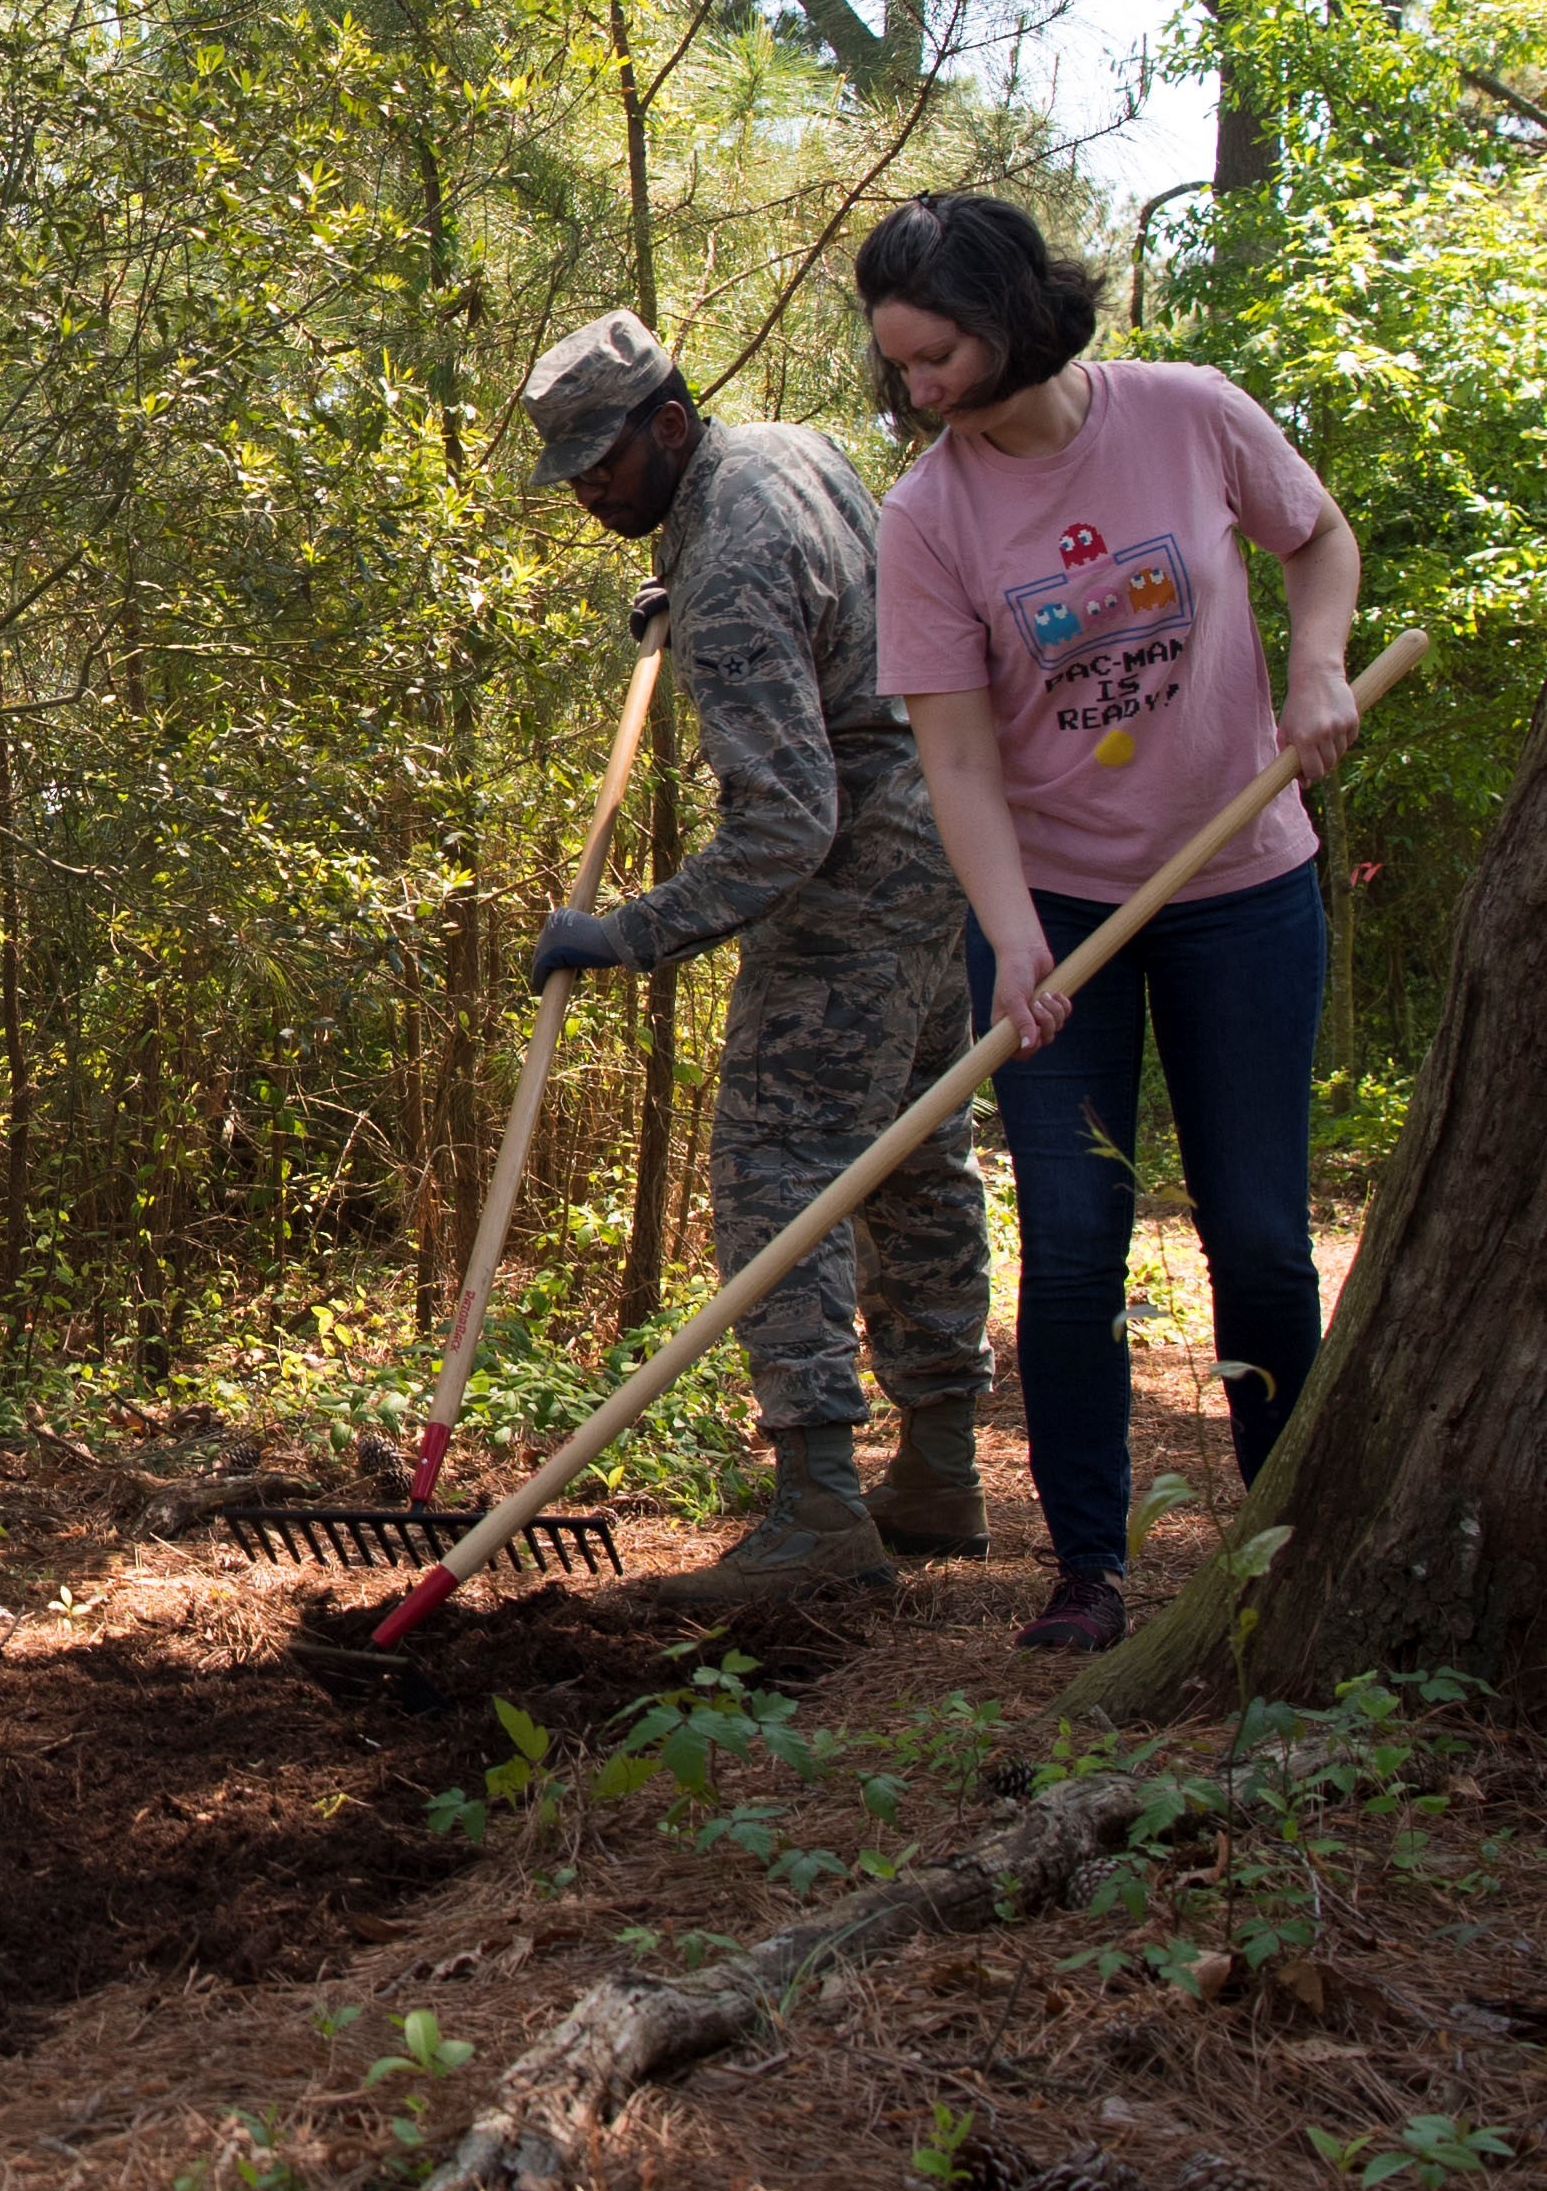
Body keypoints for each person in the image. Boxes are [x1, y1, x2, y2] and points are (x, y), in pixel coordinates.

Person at [856, 191, 1362, 1657]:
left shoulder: (1188, 415)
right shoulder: (929, 514)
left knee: (1261, 1237)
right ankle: (1088, 1565)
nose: (917, 389)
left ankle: (1279, 1542)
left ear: (1011, 315)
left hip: (1243, 885)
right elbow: (953, 753)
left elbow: (1314, 544)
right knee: (1072, 1241)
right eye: (897, 364)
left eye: (936, 353)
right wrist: (1010, 935)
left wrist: (1316, 669)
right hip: (1055, 910)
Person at [516, 310, 995, 1606]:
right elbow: (841, 595)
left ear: (668, 424)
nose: (586, 496)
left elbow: (785, 823)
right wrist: (680, 574)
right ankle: (939, 1468)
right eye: (569, 475)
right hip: (945, 846)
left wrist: (625, 933)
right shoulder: (787, 454)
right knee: (913, 1156)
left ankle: (819, 1506)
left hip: (848, 892)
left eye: (600, 467)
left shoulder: (729, 561)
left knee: (777, 1162)